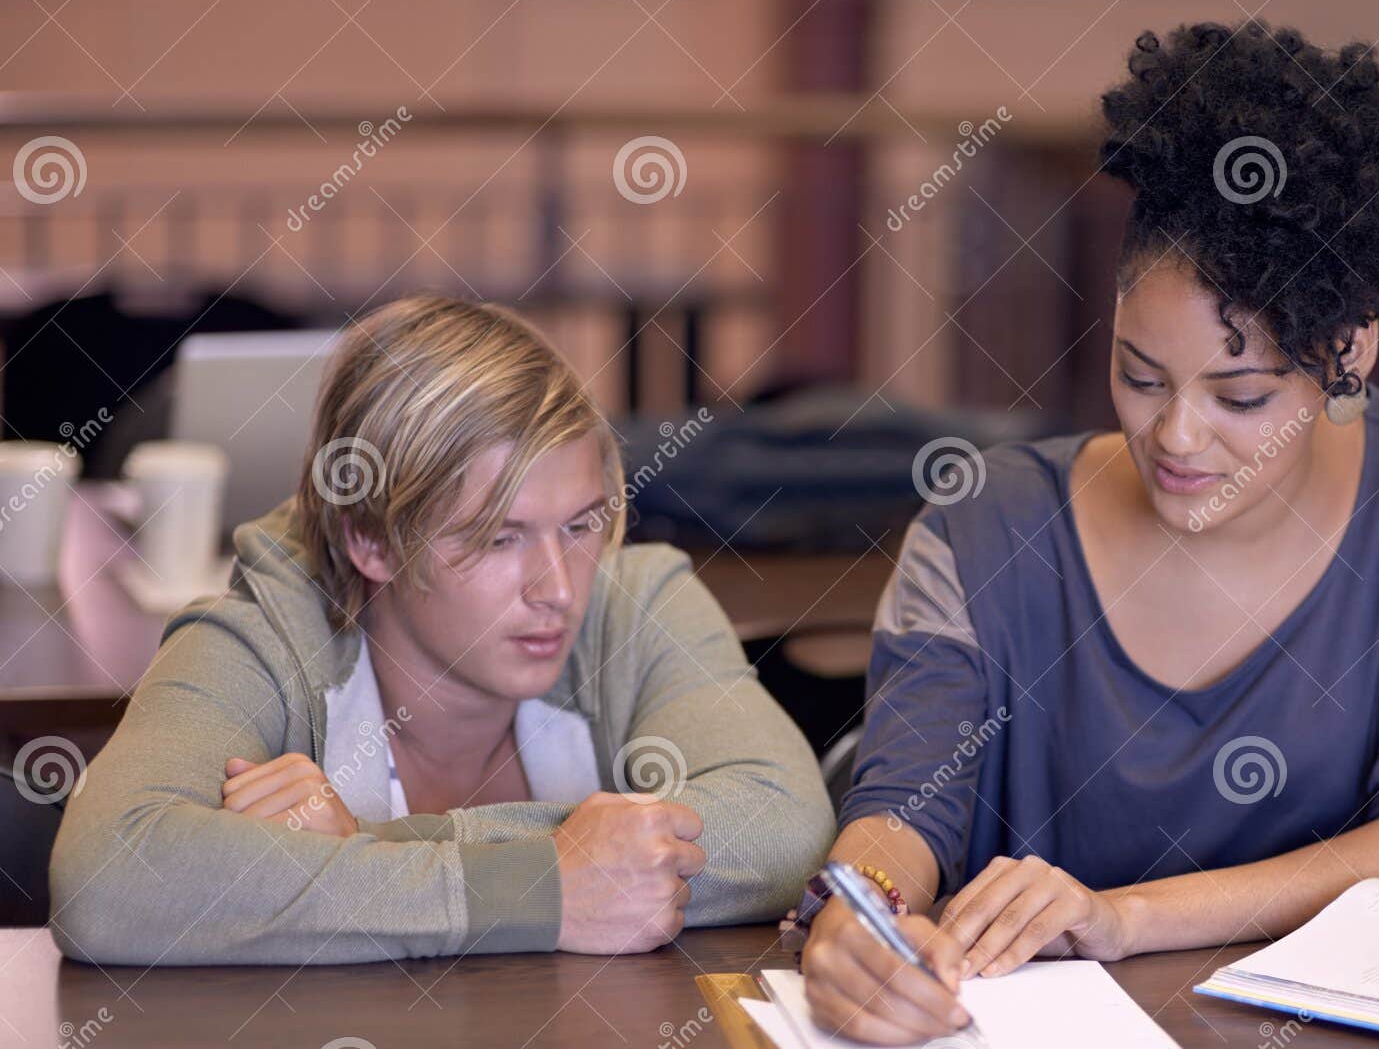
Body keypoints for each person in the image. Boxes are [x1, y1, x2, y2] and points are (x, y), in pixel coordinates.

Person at [797, 20, 1379, 1044]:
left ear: (1349, 350)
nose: (1174, 436)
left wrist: (1121, 916)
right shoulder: (984, 522)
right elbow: (904, 807)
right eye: (1138, 376)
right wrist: (857, 910)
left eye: (1241, 394)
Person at [51, 296, 833, 965]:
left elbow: (782, 832)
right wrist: (541, 886)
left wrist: (356, 848)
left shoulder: (635, 599)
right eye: (498, 538)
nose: (559, 588)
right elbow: (105, 880)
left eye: (581, 525)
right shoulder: (262, 636)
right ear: (372, 541)